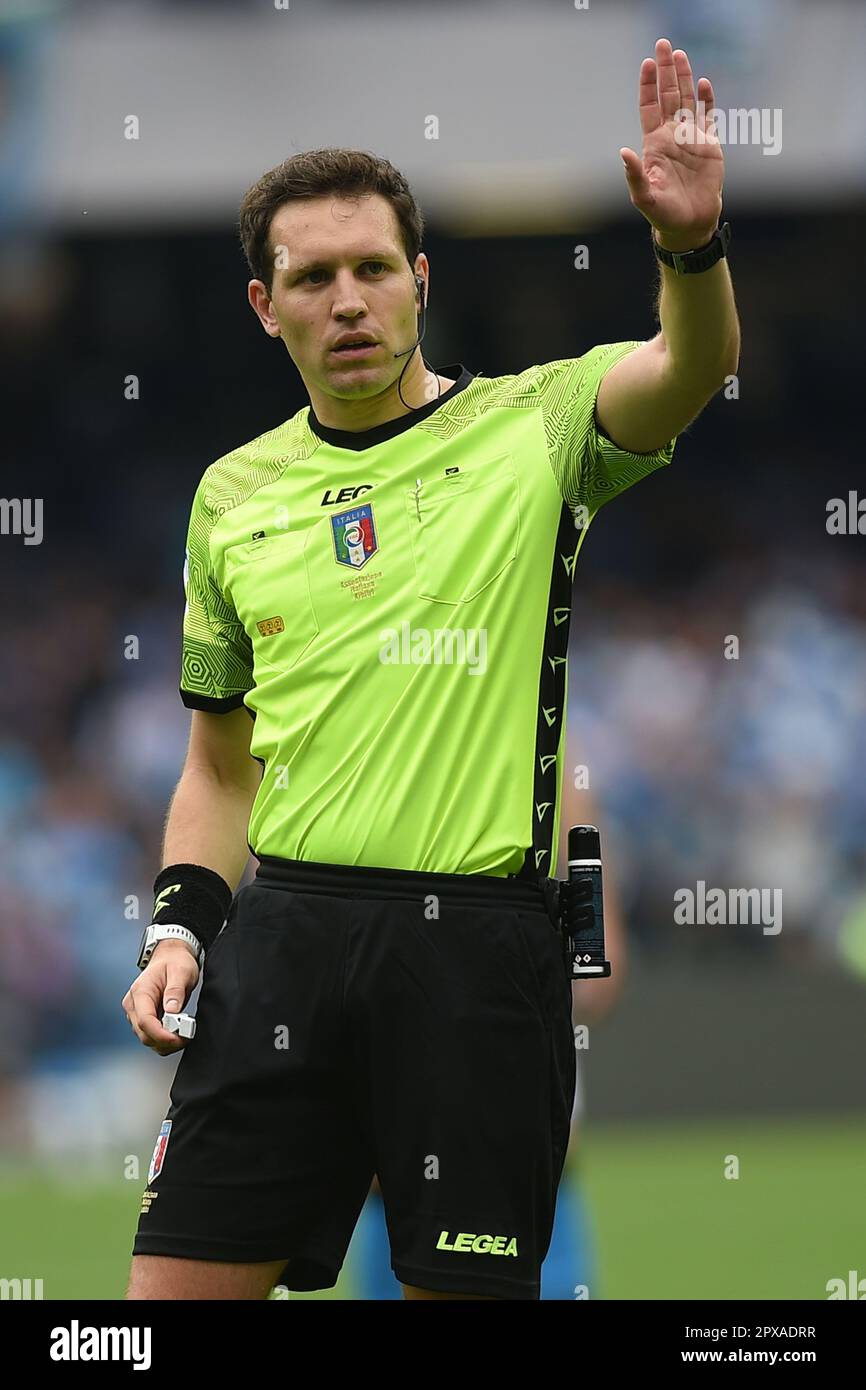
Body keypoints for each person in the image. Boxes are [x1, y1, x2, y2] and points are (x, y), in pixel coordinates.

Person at [123, 38, 740, 1300]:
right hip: (282, 941)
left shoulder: (536, 426)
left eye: (368, 270)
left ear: (415, 281)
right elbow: (216, 766)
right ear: (264, 303)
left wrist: (688, 251)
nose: (343, 300)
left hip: (472, 957)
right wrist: (180, 928)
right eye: (309, 277)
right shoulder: (230, 494)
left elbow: (689, 371)